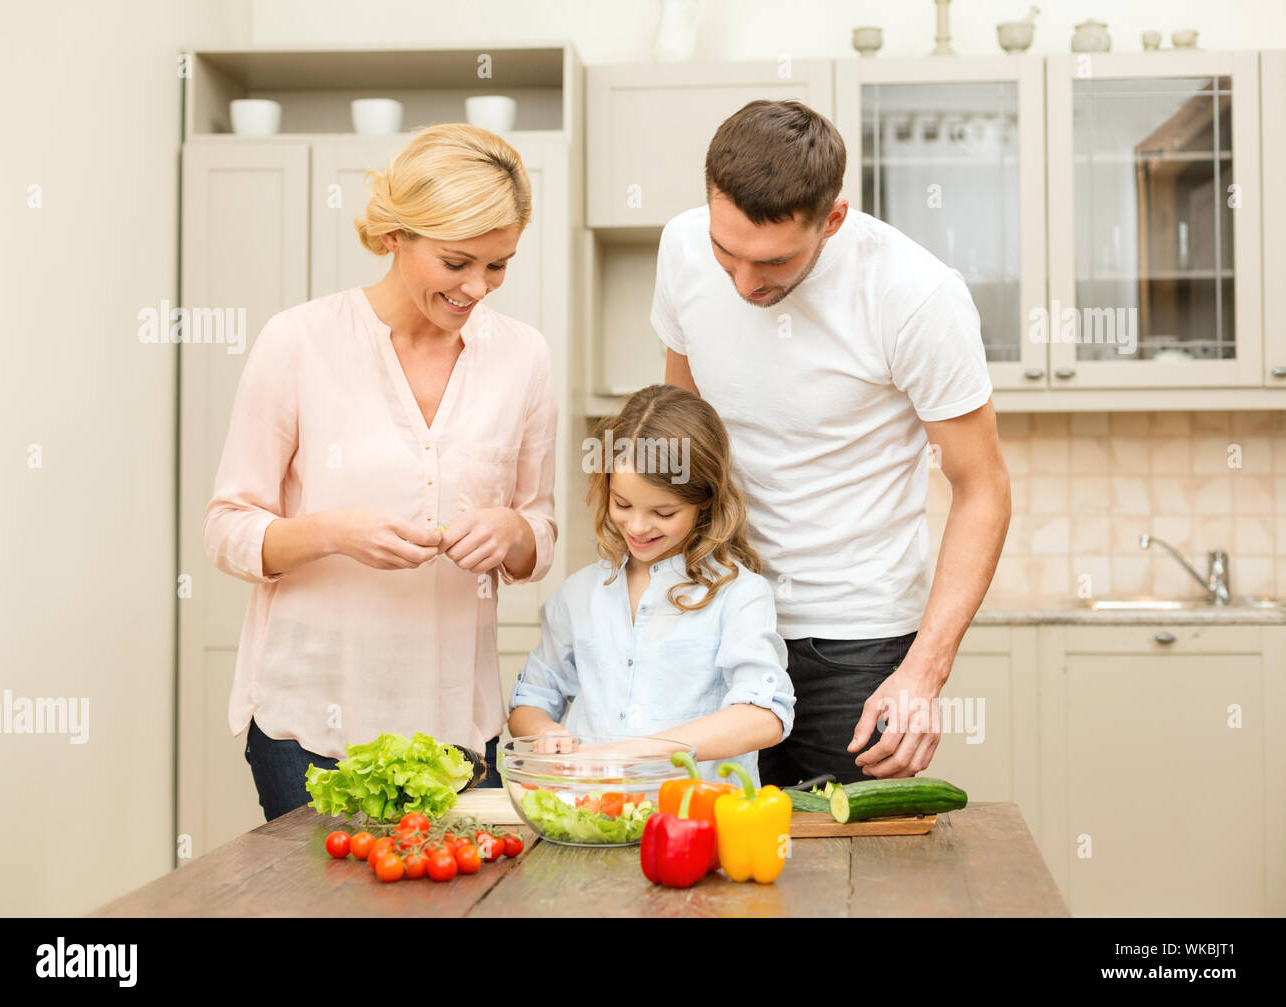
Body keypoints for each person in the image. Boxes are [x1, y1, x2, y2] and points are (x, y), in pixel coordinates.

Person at [204, 123, 558, 820]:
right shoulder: (299, 341)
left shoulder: (524, 357)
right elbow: (227, 529)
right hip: (308, 723)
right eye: (456, 262)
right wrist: (335, 532)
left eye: (499, 265)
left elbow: (539, 530)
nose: (477, 288)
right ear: (395, 235)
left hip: (458, 726)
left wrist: (511, 530)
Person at [652, 100, 1011, 786]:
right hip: (720, 616)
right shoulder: (680, 246)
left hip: (857, 642)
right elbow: (684, 433)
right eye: (726, 254)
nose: (746, 283)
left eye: (774, 262)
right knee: (711, 868)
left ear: (834, 219)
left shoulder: (916, 295)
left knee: (850, 882)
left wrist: (923, 672)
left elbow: (983, 488)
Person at [506, 384, 796, 786]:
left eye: (663, 512)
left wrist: (636, 751)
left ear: (705, 501)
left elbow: (764, 715)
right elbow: (530, 701)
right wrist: (547, 733)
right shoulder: (580, 593)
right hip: (593, 815)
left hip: (697, 819)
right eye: (622, 505)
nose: (638, 527)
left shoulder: (739, 594)